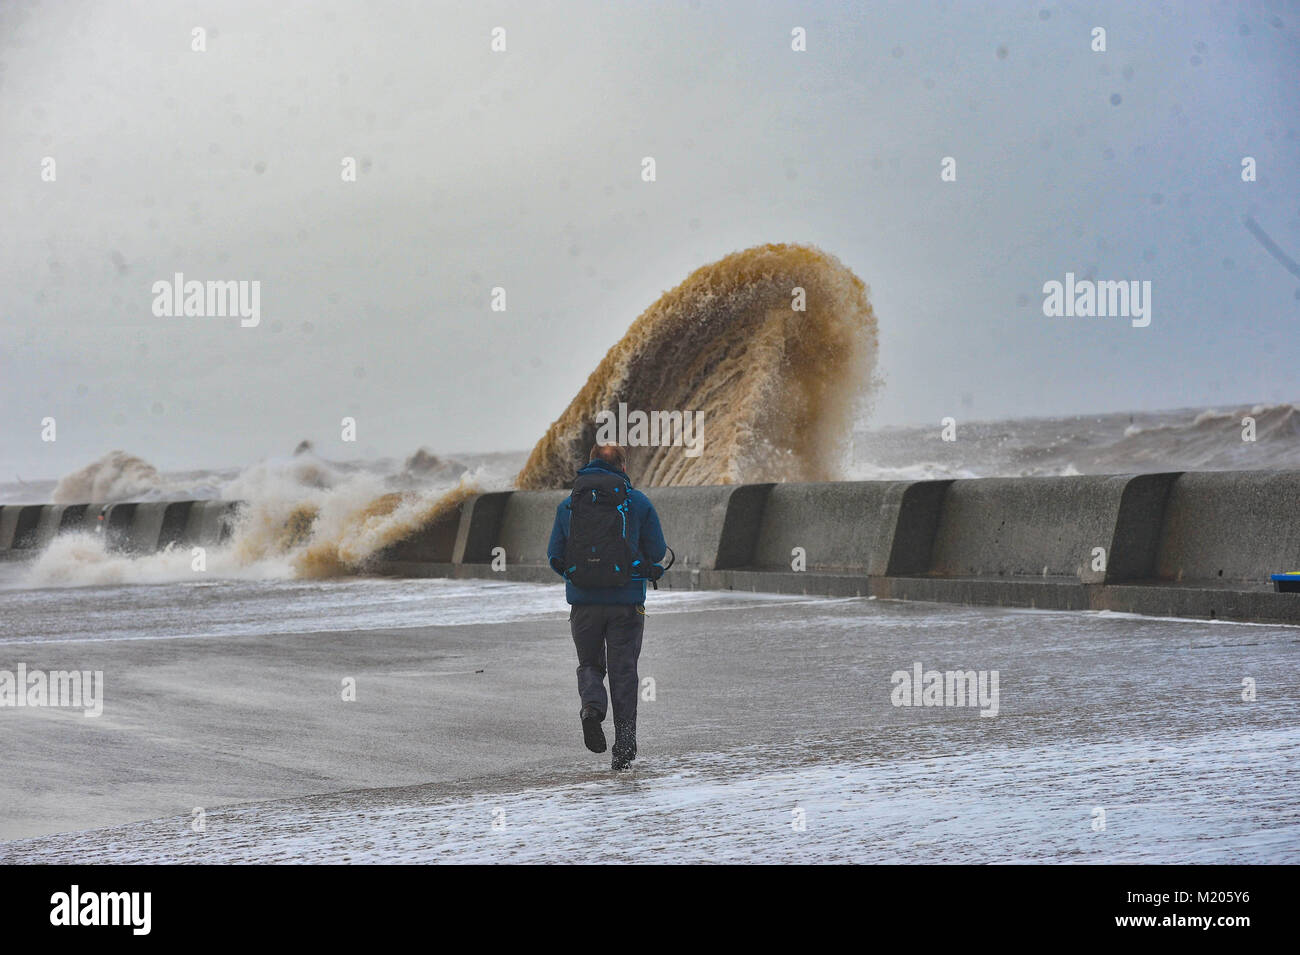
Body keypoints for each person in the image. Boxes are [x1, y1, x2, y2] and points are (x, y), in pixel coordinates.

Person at [547, 444, 667, 770]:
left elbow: (555, 557)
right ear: (623, 468)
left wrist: (580, 578)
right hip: (627, 604)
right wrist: (635, 565)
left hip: (583, 605)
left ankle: (591, 709)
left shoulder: (568, 506)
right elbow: (657, 553)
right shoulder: (638, 502)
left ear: (589, 466)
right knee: (624, 672)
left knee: (589, 664)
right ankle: (624, 748)